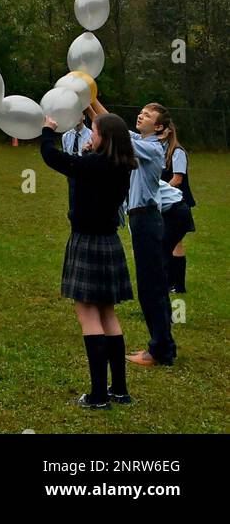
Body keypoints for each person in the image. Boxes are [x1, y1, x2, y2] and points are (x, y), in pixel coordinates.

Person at [40, 110, 136, 409]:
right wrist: (88, 152)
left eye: (94, 132)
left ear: (104, 138)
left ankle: (97, 396)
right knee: (108, 313)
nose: (90, 136)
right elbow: (87, 168)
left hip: (87, 242)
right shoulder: (122, 164)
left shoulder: (93, 164)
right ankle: (119, 389)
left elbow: (54, 158)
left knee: (88, 314)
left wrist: (47, 131)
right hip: (109, 242)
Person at [90, 98, 175, 367]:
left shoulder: (151, 148)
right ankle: (161, 345)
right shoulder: (141, 141)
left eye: (147, 115)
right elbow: (111, 124)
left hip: (147, 220)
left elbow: (113, 131)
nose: (140, 116)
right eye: (140, 112)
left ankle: (160, 350)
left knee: (152, 288)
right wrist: (89, 100)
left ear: (159, 127)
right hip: (142, 221)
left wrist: (89, 104)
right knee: (152, 286)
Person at [155, 111, 195, 294]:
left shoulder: (177, 152)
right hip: (164, 202)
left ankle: (178, 284)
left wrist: (159, 190)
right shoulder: (157, 149)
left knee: (176, 242)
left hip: (177, 201)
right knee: (167, 242)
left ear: (169, 131)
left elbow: (178, 179)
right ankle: (170, 281)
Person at [61, 113, 90, 220]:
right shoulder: (66, 136)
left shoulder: (91, 135)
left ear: (83, 117)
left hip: (86, 173)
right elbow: (65, 154)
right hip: (72, 174)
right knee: (73, 201)